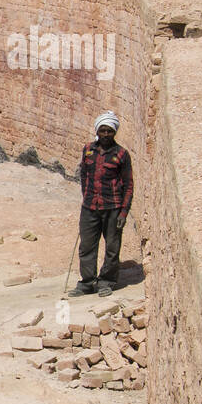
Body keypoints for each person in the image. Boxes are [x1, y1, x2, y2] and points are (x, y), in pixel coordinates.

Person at [69, 111, 133, 298]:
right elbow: (83, 175)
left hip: (113, 208)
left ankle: (106, 281)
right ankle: (87, 282)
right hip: (89, 208)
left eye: (109, 131)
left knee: (112, 247)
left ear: (114, 132)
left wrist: (123, 213)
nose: (106, 135)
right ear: (98, 130)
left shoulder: (121, 154)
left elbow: (128, 185)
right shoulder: (88, 149)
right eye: (103, 131)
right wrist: (86, 196)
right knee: (87, 246)